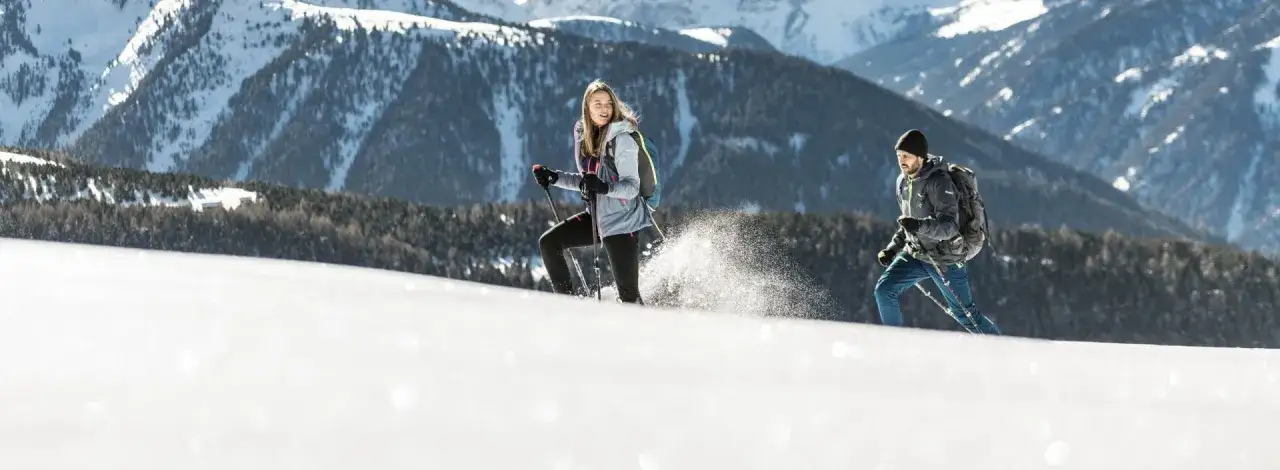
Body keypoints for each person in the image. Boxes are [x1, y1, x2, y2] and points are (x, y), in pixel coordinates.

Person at [530, 79, 652, 303]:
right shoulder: (587, 138)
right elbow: (588, 181)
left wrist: (603, 187)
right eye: (598, 104)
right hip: (597, 217)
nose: (605, 109)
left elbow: (632, 188)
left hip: (622, 222)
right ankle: (567, 307)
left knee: (629, 299)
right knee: (549, 243)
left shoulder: (622, 140)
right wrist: (555, 177)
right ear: (587, 108)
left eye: (608, 103)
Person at [873, 129, 1001, 334]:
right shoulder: (902, 182)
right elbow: (907, 223)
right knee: (884, 291)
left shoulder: (939, 182)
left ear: (920, 157)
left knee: (966, 315)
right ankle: (895, 343)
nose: (901, 161)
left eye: (906, 156)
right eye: (899, 156)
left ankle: (1000, 348)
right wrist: (892, 249)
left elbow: (949, 227)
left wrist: (919, 225)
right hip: (916, 253)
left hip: (945, 257)